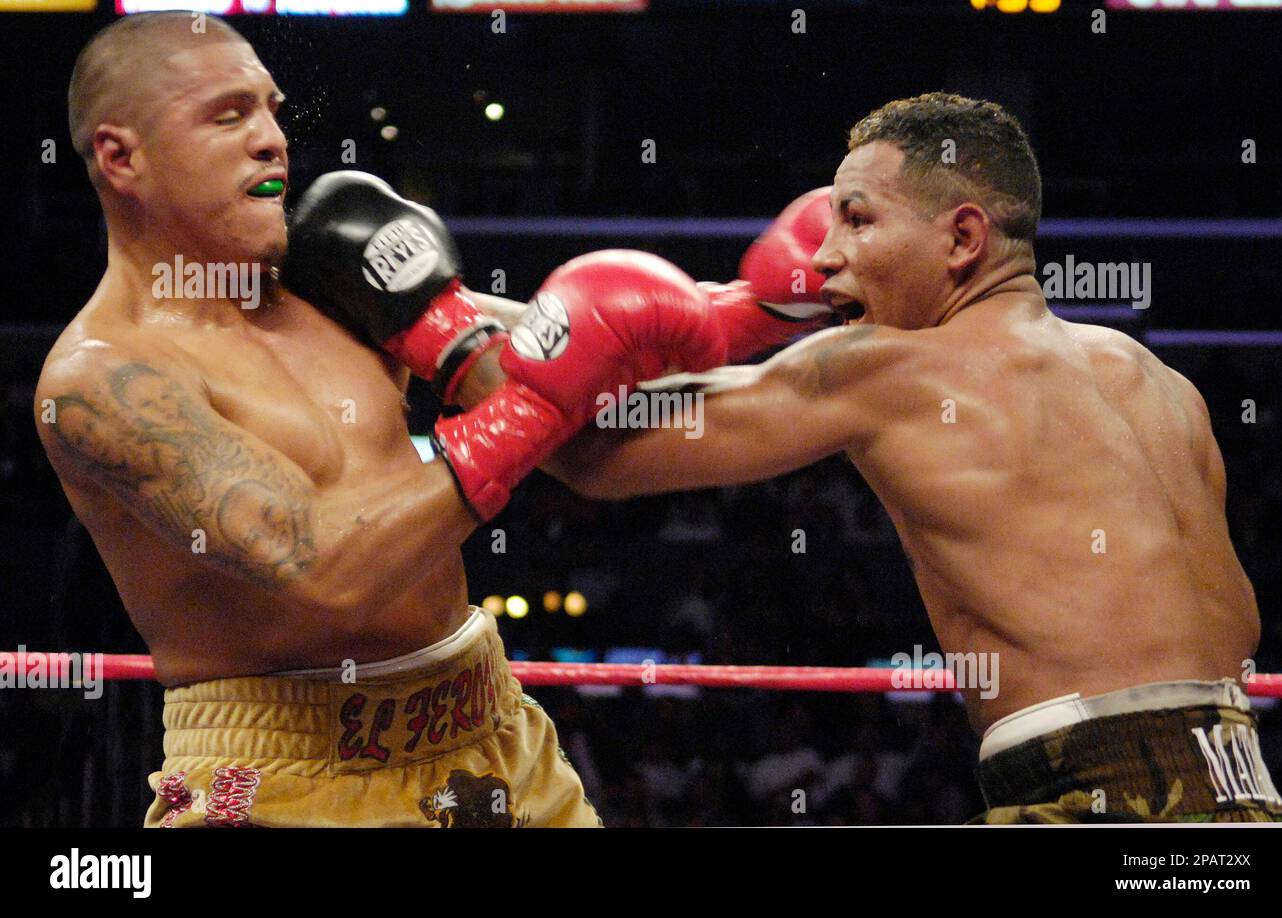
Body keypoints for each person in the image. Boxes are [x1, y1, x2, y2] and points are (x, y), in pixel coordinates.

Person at [36, 13, 823, 828]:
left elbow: (581, 363)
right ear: (121, 157)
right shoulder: (104, 380)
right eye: (228, 116)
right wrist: (536, 405)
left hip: (486, 728)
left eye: (270, 109)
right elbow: (329, 568)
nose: (272, 138)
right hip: (285, 774)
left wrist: (763, 306)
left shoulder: (330, 271)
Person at [548, 93, 1282, 823]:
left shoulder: (891, 368)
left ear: (964, 239)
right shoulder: (1159, 383)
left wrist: (447, 316)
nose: (824, 254)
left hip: (1103, 807)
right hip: (1247, 805)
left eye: (858, 218)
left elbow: (599, 452)